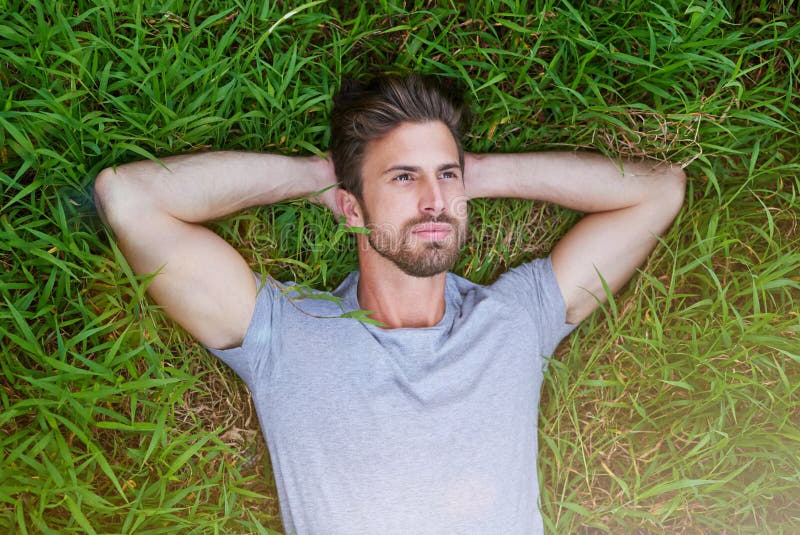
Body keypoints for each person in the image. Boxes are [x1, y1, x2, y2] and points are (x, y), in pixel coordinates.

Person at [94, 74, 686, 534]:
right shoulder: (286, 333)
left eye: (445, 176)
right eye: (403, 178)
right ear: (351, 209)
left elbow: (660, 191)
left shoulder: (516, 319)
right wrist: (312, 177)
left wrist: (477, 173)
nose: (434, 201)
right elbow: (128, 198)